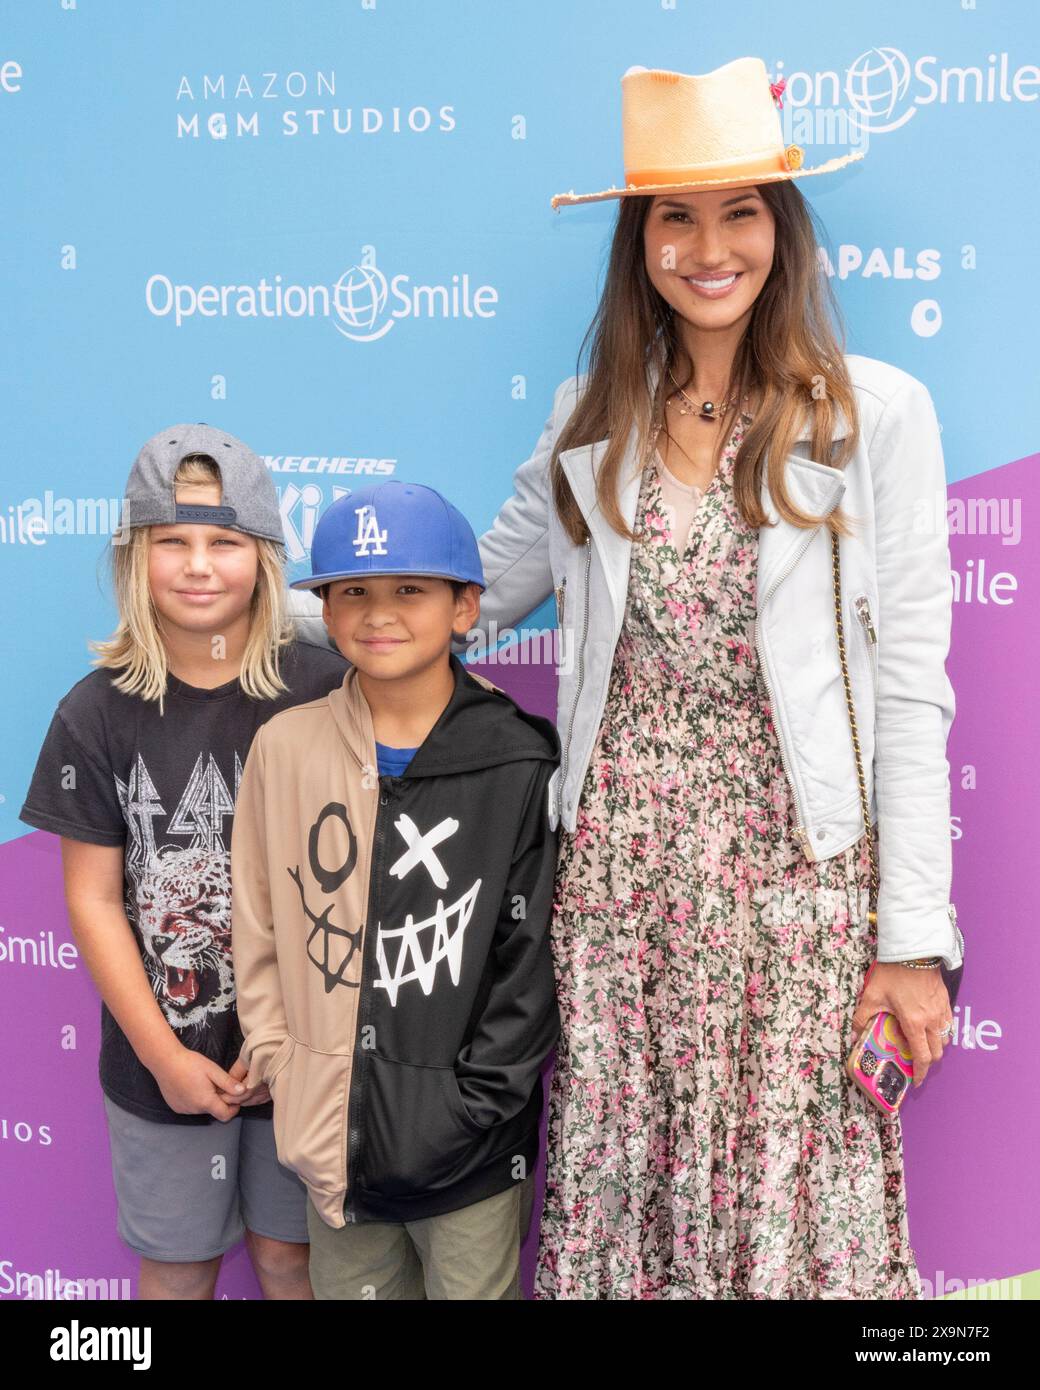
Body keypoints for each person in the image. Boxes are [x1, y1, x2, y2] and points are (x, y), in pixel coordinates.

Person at [462, 57, 964, 1298]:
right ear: (638, 243)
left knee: (794, 1228)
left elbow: (909, 688)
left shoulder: (874, 416)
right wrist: (267, 613)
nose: (706, 246)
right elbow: (468, 597)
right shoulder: (591, 420)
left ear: (780, 232)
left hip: (796, 895)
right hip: (619, 898)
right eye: (673, 217)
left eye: (738, 210)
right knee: (628, 1207)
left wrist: (909, 940)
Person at [18, 424, 349, 1299]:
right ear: (136, 558)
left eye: (224, 541)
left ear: (265, 556)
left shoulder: (324, 689)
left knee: (293, 1256)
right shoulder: (96, 712)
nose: (199, 565)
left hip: (310, 1057)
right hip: (161, 1056)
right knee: (176, 1263)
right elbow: (92, 900)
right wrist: (164, 1054)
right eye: (174, 542)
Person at [230, 480, 561, 1300]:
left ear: (463, 607)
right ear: (329, 614)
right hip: (335, 1145)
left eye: (410, 588)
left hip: (474, 1161)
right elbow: (259, 920)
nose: (380, 613)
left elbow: (530, 963)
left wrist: (477, 1107)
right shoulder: (285, 746)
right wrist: (285, 1061)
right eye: (354, 593)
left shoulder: (518, 760)